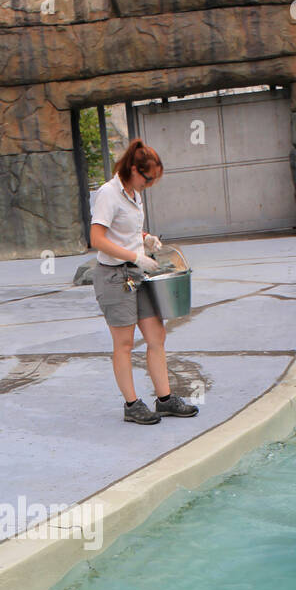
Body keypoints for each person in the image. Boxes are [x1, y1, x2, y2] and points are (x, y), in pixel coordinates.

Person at [89, 138, 199, 425]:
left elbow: (123, 232)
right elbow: (97, 239)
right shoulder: (108, 194)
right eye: (148, 178)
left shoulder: (134, 194)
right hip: (115, 277)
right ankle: (131, 404)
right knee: (124, 343)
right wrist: (133, 256)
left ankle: (164, 400)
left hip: (137, 274)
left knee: (156, 336)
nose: (150, 185)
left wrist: (145, 239)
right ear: (134, 170)